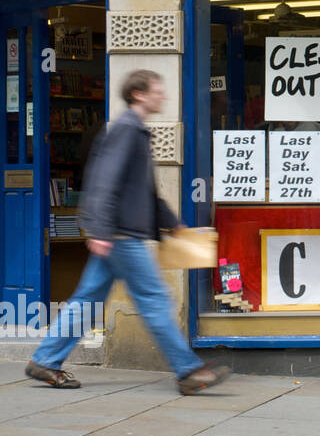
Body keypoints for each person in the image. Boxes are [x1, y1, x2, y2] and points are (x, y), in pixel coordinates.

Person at [26, 69, 231, 395]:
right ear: (139, 94)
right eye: (157, 90)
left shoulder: (133, 130)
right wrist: (101, 231)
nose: (162, 95)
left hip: (116, 234)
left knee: (87, 299)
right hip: (121, 236)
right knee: (154, 299)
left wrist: (171, 222)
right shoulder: (126, 130)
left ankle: (46, 359)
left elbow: (143, 190)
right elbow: (106, 181)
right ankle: (188, 371)